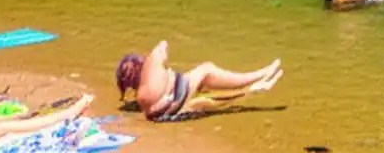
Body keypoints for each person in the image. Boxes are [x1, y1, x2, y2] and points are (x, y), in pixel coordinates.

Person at [115, 41, 283, 122]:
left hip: (165, 112)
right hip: (176, 95)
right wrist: (167, 80)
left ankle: (254, 88)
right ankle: (259, 75)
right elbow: (163, 45)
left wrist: (167, 86)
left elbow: (155, 108)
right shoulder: (151, 62)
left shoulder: (141, 97)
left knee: (205, 101)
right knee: (206, 69)